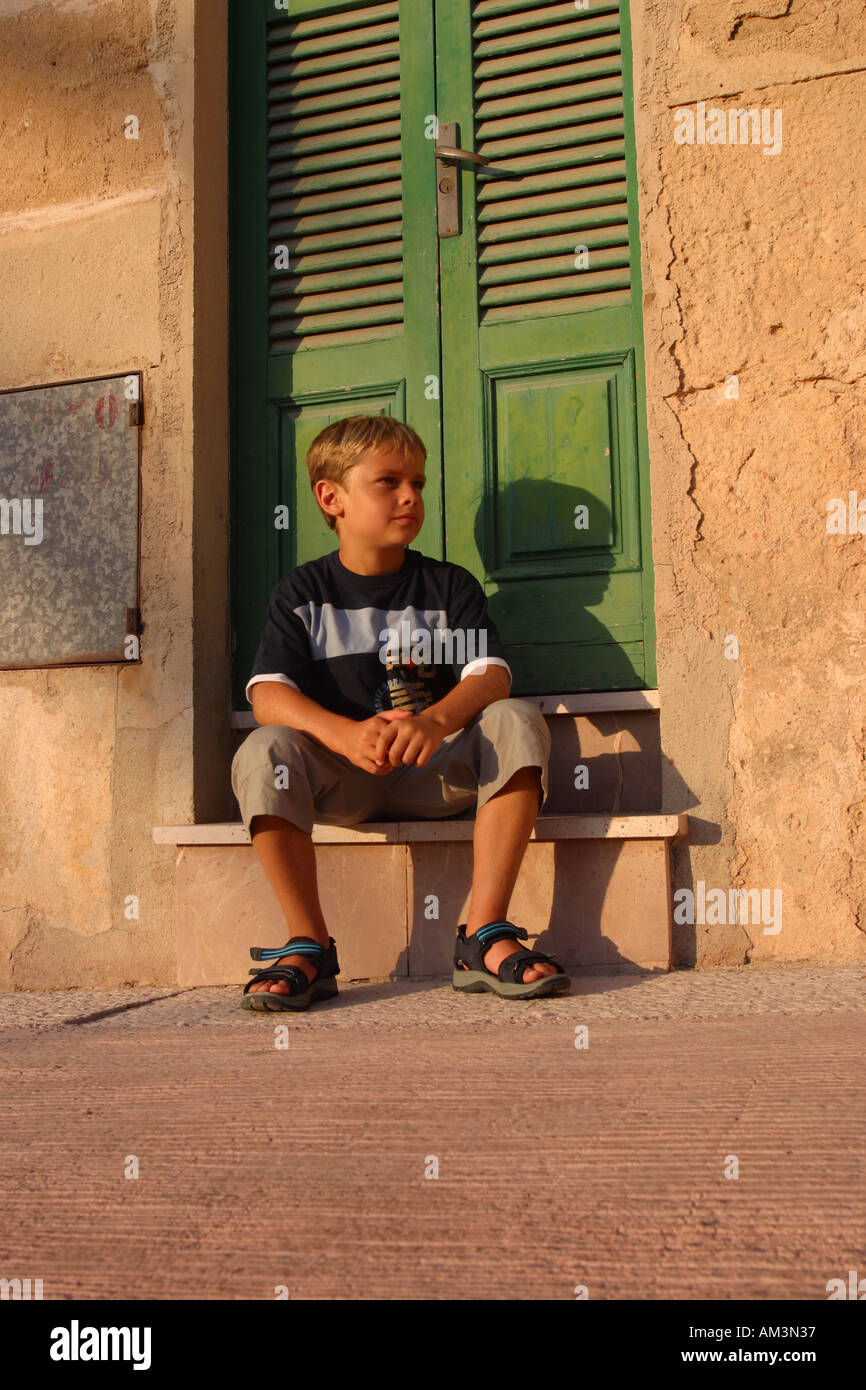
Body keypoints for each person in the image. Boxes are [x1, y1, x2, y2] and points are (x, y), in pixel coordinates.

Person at [231, 415, 571, 1010]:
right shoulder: (302, 593)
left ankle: (484, 934)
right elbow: (267, 694)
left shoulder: (448, 588)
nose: (410, 495)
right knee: (264, 752)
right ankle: (308, 943)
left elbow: (490, 673)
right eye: (387, 482)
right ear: (330, 497)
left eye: (416, 482)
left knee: (516, 717)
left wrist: (436, 722)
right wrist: (341, 734)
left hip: (437, 773)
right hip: (343, 780)